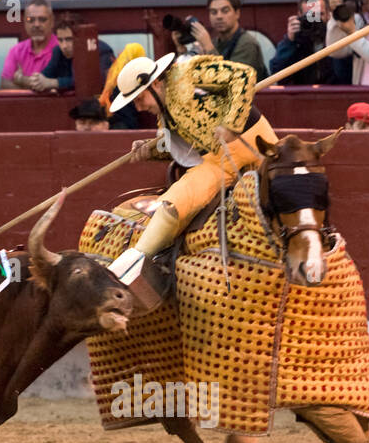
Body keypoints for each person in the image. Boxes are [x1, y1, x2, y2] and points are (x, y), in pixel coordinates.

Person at [104, 51, 276, 286]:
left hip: (255, 143)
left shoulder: (187, 74)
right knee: (175, 201)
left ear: (155, 83)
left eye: (139, 98)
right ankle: (137, 260)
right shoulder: (164, 115)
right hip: (217, 163)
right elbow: (182, 147)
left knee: (285, 184)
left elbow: (244, 75)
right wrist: (150, 150)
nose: (139, 107)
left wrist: (231, 124)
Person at [175, 0, 268, 83]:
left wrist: (208, 47)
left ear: (237, 13)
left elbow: (233, 82)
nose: (219, 16)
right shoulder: (215, 42)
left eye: (225, 11)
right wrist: (181, 49)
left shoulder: (247, 44)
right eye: (214, 12)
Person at [29, 14, 115, 94]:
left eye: (69, 39)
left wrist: (53, 83)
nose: (64, 46)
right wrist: (37, 81)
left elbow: (92, 82)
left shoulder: (101, 51)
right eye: (60, 40)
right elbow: (45, 76)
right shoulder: (58, 51)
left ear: (82, 37)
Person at [0, 0, 58, 91]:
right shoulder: (16, 50)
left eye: (42, 19)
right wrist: (34, 88)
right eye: (31, 19)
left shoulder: (61, 48)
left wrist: (21, 80)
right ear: (25, 22)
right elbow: (4, 85)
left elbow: (56, 89)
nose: (36, 24)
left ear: (52, 22)